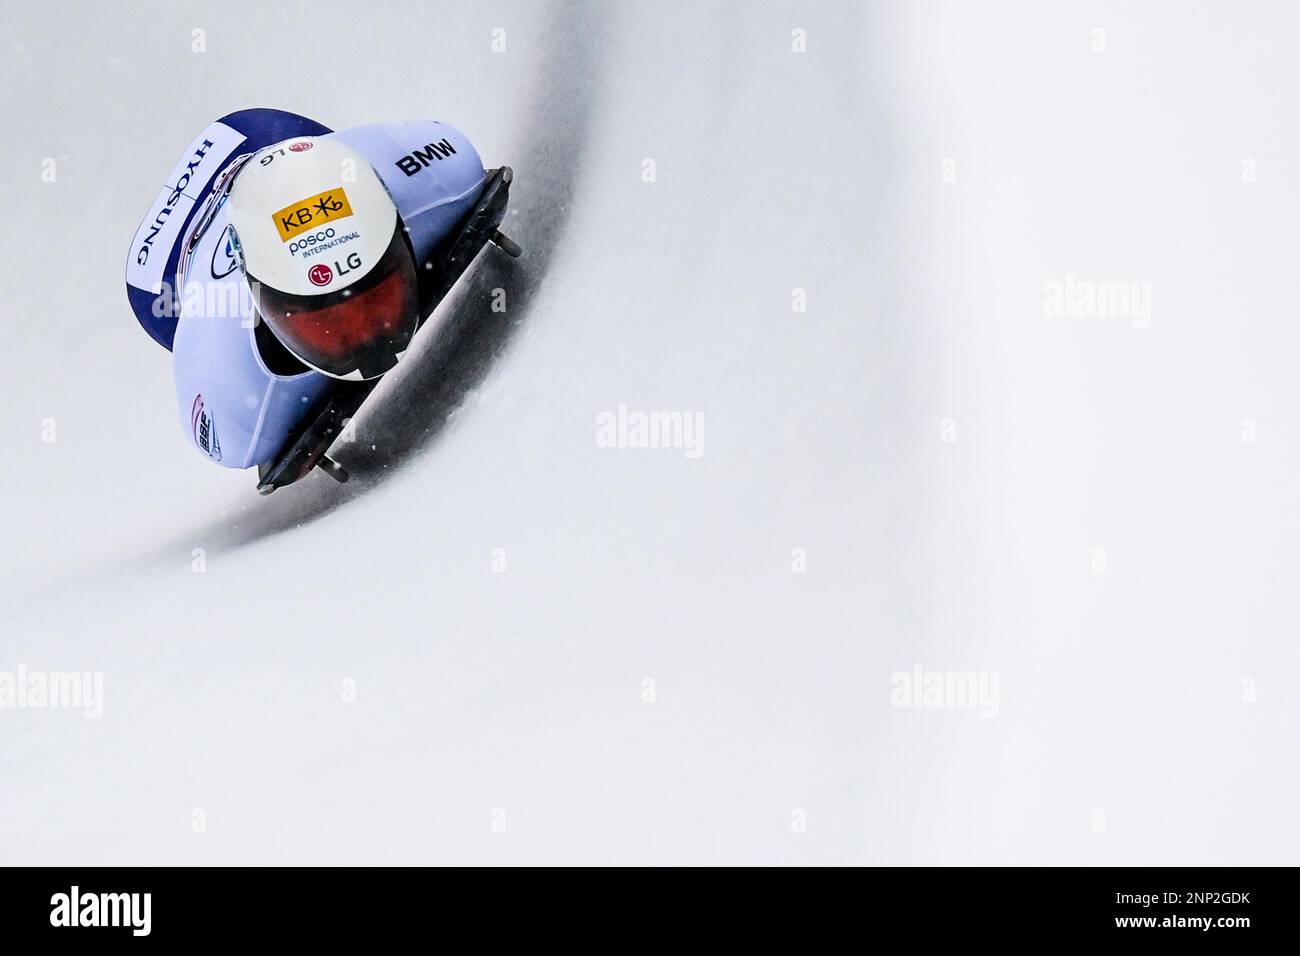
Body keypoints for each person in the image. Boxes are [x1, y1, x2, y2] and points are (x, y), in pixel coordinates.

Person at [125, 108, 491, 470]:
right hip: (163, 272)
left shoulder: (445, 172)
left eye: (381, 293)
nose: (367, 335)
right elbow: (218, 437)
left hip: (271, 136)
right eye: (325, 322)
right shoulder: (228, 399)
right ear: (262, 301)